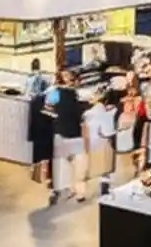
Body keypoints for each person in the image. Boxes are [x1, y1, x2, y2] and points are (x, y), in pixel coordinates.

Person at [47, 72, 88, 204]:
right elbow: (81, 119)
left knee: (59, 165)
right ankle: (79, 194)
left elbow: (47, 109)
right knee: (78, 166)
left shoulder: (54, 93)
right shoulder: (75, 97)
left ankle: (55, 191)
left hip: (59, 133)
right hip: (74, 136)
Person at [83, 96, 118, 198]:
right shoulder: (105, 115)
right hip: (103, 143)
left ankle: (81, 192)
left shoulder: (87, 114)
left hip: (90, 144)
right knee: (105, 169)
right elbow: (107, 132)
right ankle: (104, 188)